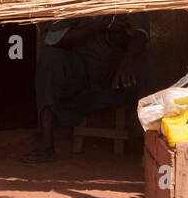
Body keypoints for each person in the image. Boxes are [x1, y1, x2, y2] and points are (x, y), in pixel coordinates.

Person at [24, 14, 149, 164]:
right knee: (49, 60)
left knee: (149, 65)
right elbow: (56, 38)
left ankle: (148, 146)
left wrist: (127, 61)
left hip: (115, 73)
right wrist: (99, 26)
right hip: (80, 71)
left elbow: (141, 33)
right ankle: (47, 145)